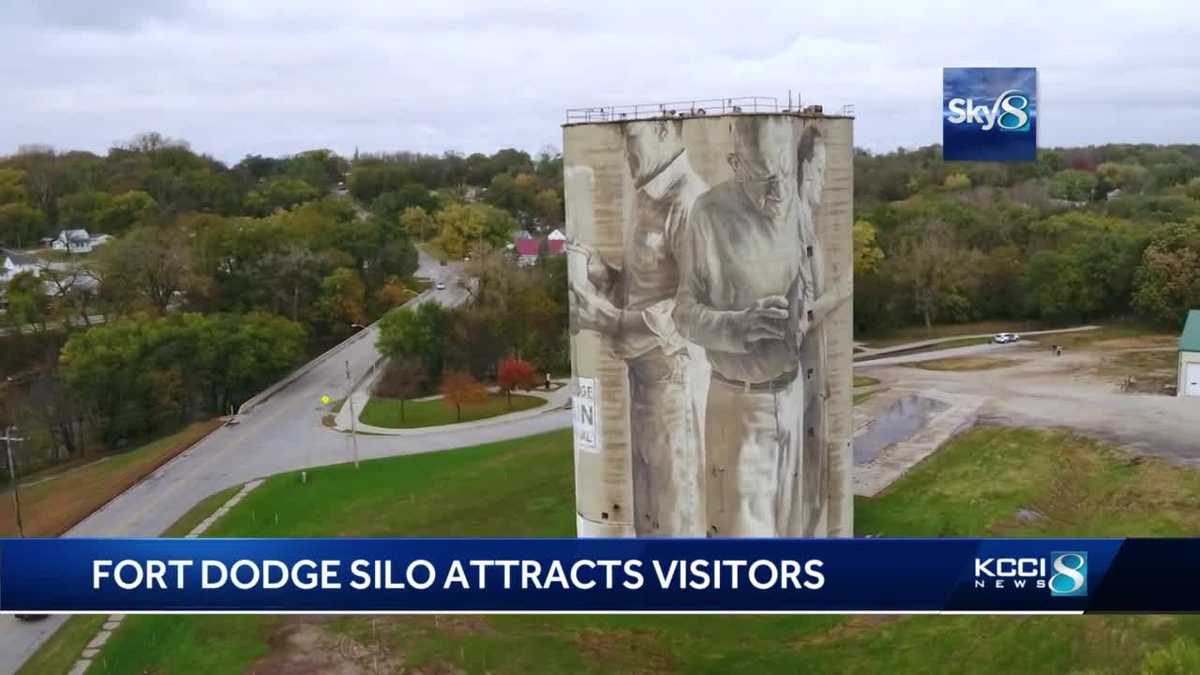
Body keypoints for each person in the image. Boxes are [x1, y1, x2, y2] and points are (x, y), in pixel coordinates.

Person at [673, 117, 825, 537]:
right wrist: (737, 326)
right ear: (735, 164)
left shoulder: (797, 206)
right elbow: (683, 311)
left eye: (782, 172)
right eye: (762, 176)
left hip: (792, 397)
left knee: (793, 536)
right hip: (738, 406)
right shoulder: (708, 213)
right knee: (745, 548)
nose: (777, 189)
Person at [568, 118, 708, 536]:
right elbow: (645, 288)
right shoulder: (648, 198)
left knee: (673, 503)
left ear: (665, 132)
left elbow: (693, 307)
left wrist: (607, 319)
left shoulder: (689, 201)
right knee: (649, 503)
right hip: (645, 380)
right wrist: (605, 275)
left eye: (632, 141)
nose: (625, 154)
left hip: (674, 381)